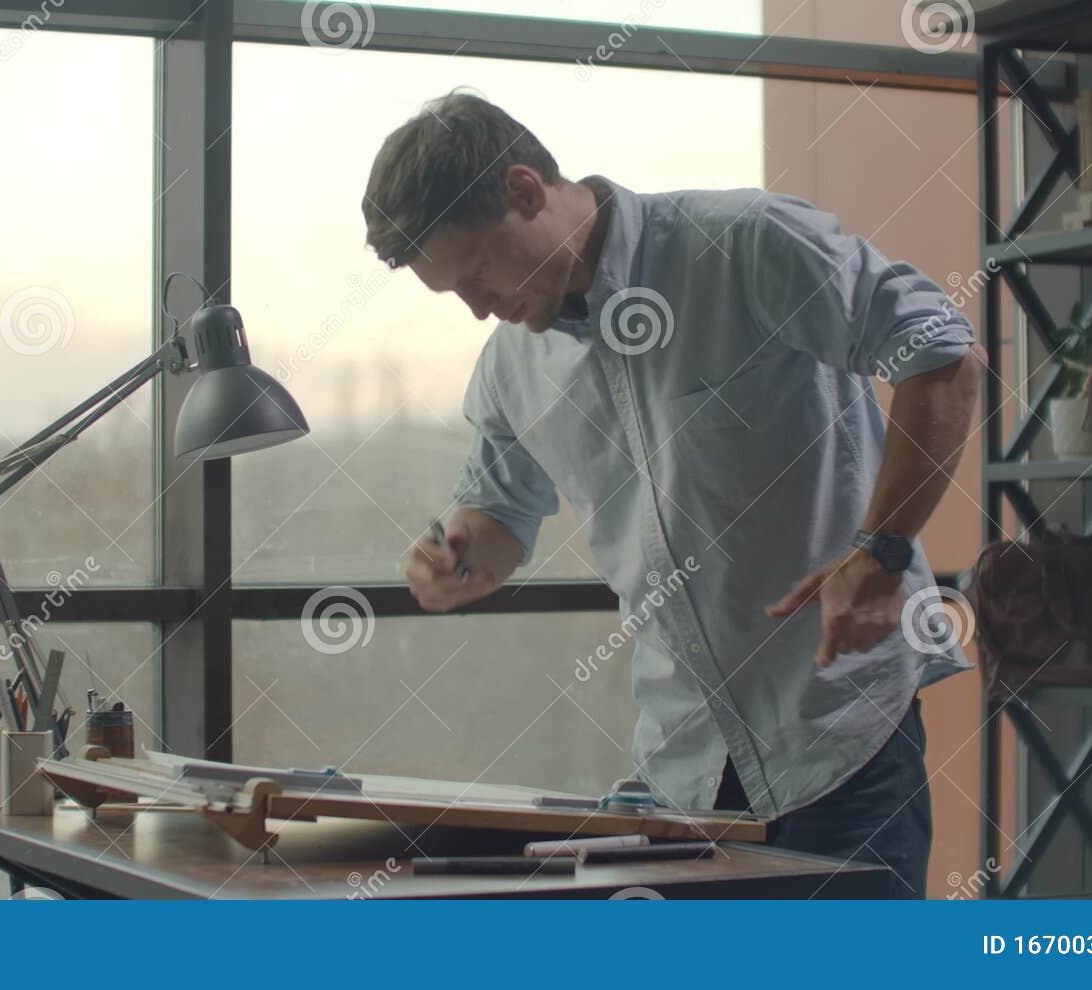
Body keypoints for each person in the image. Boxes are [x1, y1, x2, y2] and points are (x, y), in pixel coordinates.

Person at [366, 90, 984, 899]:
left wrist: (882, 547)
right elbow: (499, 517)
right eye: (456, 295)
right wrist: (457, 557)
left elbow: (942, 355)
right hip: (684, 768)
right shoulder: (511, 366)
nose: (482, 308)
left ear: (526, 190)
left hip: (837, 732)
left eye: (479, 269)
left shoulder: (745, 244)